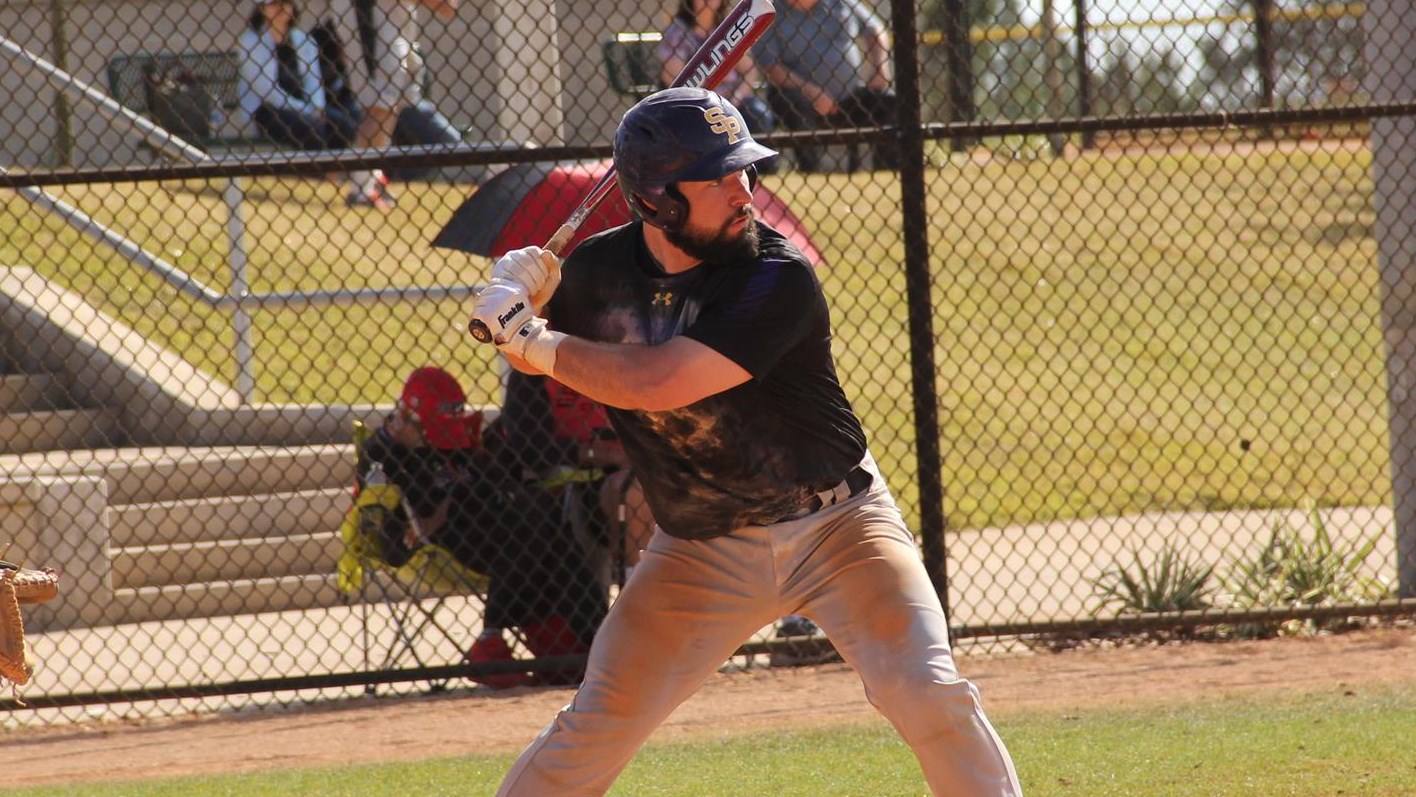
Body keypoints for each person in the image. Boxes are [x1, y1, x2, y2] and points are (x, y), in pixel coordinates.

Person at [469, 88, 1022, 796]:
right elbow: (524, 337)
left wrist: (534, 338)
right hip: (700, 546)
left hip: (839, 527)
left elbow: (662, 379)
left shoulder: (775, 275)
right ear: (659, 200)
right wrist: (517, 285)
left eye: (745, 171)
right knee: (596, 721)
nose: (745, 190)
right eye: (720, 175)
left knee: (926, 691)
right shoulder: (596, 276)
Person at [362, 366, 607, 688]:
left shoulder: (457, 445)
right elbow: (411, 521)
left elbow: (488, 481)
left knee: (542, 522)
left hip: (495, 533)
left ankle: (583, 647)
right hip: (439, 542)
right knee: (532, 523)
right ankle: (499, 642)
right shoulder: (385, 450)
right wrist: (414, 449)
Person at [500, 369, 656, 590]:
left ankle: (653, 586)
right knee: (631, 491)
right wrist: (592, 453)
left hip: (630, 470)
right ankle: (638, 590)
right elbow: (530, 449)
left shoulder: (622, 357)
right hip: (572, 484)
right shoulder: (533, 370)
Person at [332, 0, 459, 208]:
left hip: (396, 21)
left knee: (394, 104)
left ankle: (372, 176)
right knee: (379, 106)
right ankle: (361, 188)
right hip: (369, 14)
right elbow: (444, 8)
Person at [753, 0, 898, 172]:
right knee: (789, 102)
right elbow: (770, 67)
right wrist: (811, 91)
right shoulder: (771, 11)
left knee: (890, 101)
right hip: (799, 95)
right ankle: (812, 171)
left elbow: (875, 29)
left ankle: (887, 170)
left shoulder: (841, 3)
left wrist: (880, 68)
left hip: (850, 95)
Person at [657, 0, 777, 169]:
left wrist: (736, 98)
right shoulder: (679, 31)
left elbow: (749, 71)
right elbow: (674, 80)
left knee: (757, 113)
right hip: (696, 103)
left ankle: (763, 168)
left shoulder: (727, 27)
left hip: (733, 99)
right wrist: (709, 102)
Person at [236, 0, 359, 151]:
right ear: (262, 9)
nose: (281, 8)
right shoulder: (251, 42)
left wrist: (317, 108)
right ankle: (312, 172)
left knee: (342, 125)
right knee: (311, 128)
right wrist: (305, 110)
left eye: (286, 2)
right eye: (274, 4)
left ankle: (331, 174)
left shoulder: (303, 39)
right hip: (267, 110)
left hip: (304, 105)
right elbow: (268, 92)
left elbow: (313, 81)